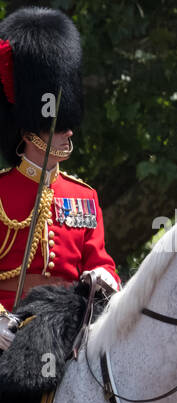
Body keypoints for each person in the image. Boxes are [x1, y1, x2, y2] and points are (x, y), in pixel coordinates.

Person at [0, 7, 119, 343]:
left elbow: (103, 264)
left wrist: (103, 277)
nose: (69, 134)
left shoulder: (84, 196)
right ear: (28, 132)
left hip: (69, 330)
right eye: (59, 127)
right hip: (9, 326)